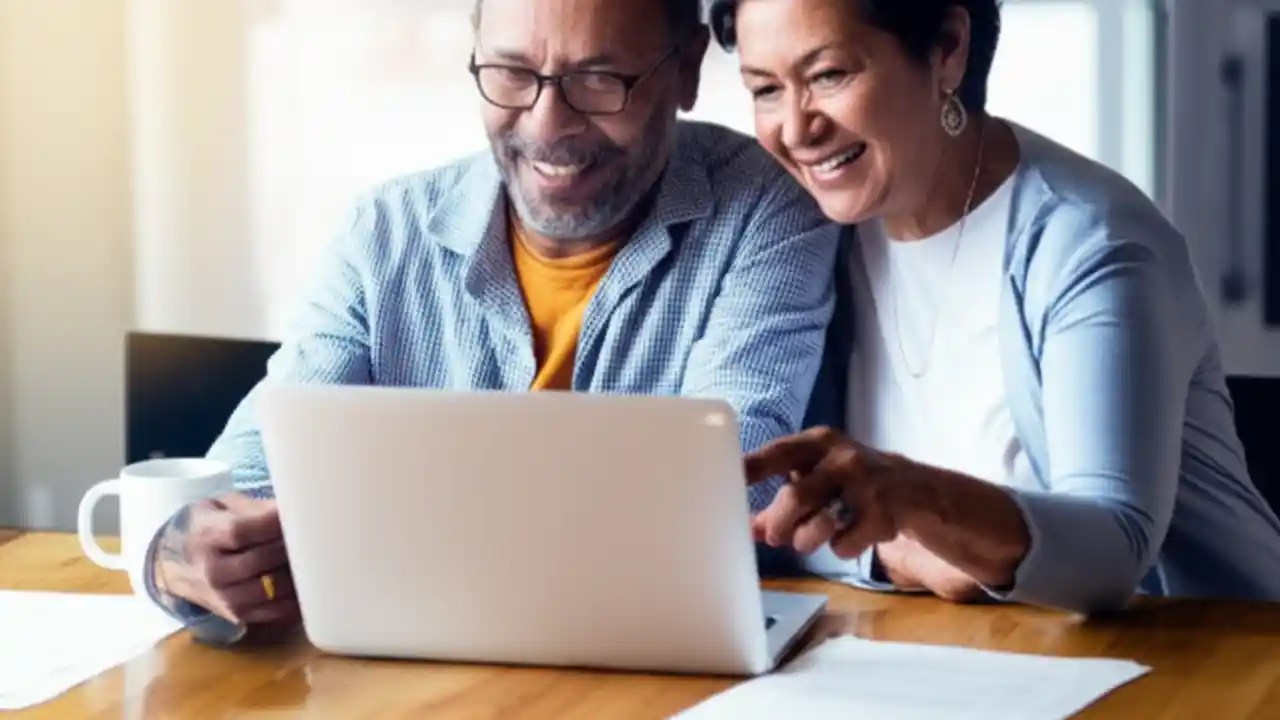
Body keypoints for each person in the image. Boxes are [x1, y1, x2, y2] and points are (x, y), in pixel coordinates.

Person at [143, 0, 840, 644]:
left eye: (598, 81)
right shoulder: (384, 234)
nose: (546, 125)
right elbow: (245, 479)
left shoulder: (766, 212)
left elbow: (733, 478)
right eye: (509, 73)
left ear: (686, 69)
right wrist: (179, 555)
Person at [710, 0, 1280, 612]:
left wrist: (919, 502)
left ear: (949, 48)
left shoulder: (1090, 242)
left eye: (829, 76)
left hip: (1212, 660)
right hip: (960, 661)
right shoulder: (817, 232)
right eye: (765, 89)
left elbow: (1114, 549)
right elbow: (775, 516)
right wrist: (885, 550)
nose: (795, 130)